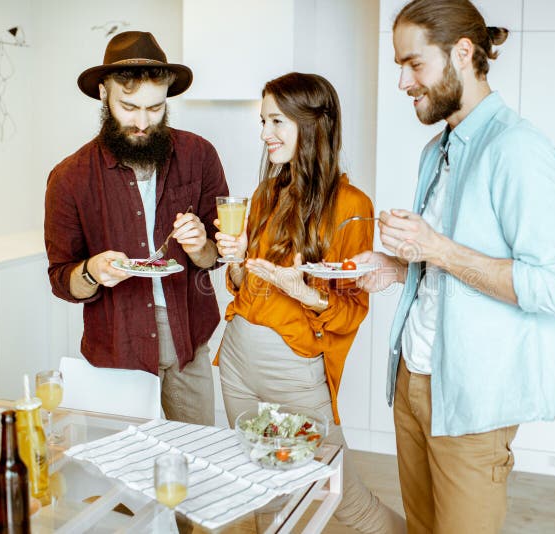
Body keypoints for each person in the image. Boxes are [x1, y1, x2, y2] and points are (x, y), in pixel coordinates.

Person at [353, 1, 555, 532]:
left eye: (414, 64)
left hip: (470, 399)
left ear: (462, 54)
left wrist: (437, 249)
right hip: (413, 377)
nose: (405, 82)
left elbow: (554, 288)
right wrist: (396, 264)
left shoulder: (517, 148)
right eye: (399, 67)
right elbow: (442, 265)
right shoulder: (437, 149)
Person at [214, 72, 406, 533]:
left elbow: (349, 312)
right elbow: (242, 288)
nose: (265, 134)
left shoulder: (351, 206)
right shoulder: (265, 196)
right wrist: (238, 261)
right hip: (237, 363)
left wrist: (301, 291)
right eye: (263, 121)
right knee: (255, 487)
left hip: (294, 374)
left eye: (276, 121)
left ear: (312, 123)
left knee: (342, 498)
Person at [44, 31, 228, 425]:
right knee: (125, 469)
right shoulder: (68, 178)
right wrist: (93, 271)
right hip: (117, 345)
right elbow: (62, 280)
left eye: (156, 108)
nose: (143, 122)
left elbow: (217, 255)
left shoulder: (199, 155)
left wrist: (200, 248)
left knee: (196, 460)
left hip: (188, 340)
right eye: (129, 107)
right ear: (103, 94)